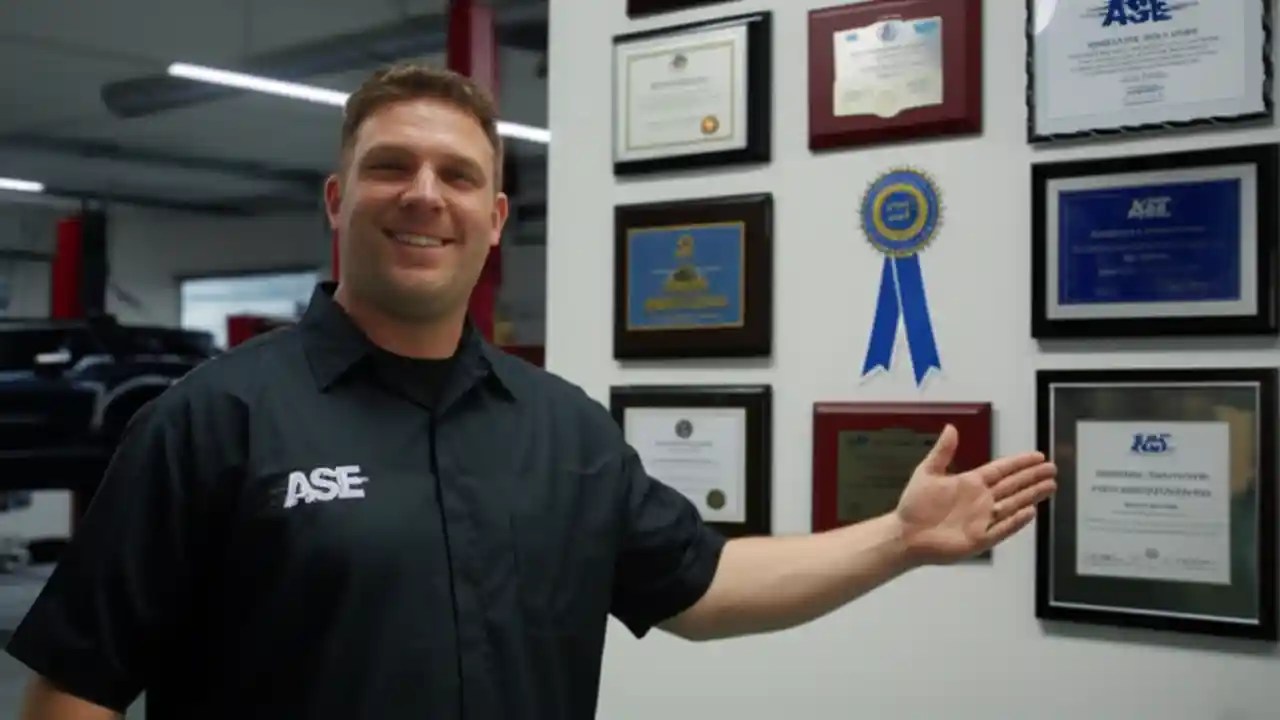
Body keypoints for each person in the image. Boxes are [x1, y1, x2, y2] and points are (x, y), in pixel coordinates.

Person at [9, 62, 1057, 720]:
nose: (424, 196)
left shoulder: (565, 432)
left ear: (496, 219)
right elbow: (76, 688)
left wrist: (899, 539)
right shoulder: (208, 422)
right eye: (391, 168)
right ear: (338, 200)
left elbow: (703, 587)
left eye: (458, 176)